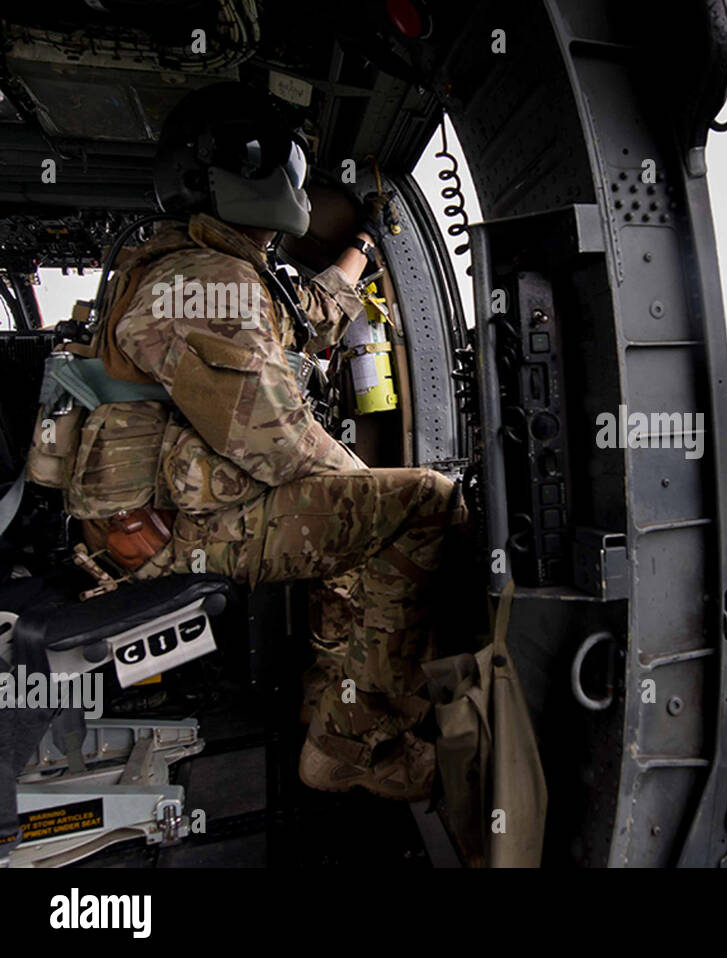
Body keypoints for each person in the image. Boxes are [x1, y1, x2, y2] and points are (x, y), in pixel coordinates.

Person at [58, 81, 467, 800]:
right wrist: (365, 489)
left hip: (143, 517)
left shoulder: (205, 263)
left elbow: (300, 312)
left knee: (348, 516)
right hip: (156, 537)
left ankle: (329, 693)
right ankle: (353, 744)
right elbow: (280, 446)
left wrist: (362, 250)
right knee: (421, 506)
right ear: (252, 172)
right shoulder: (200, 280)